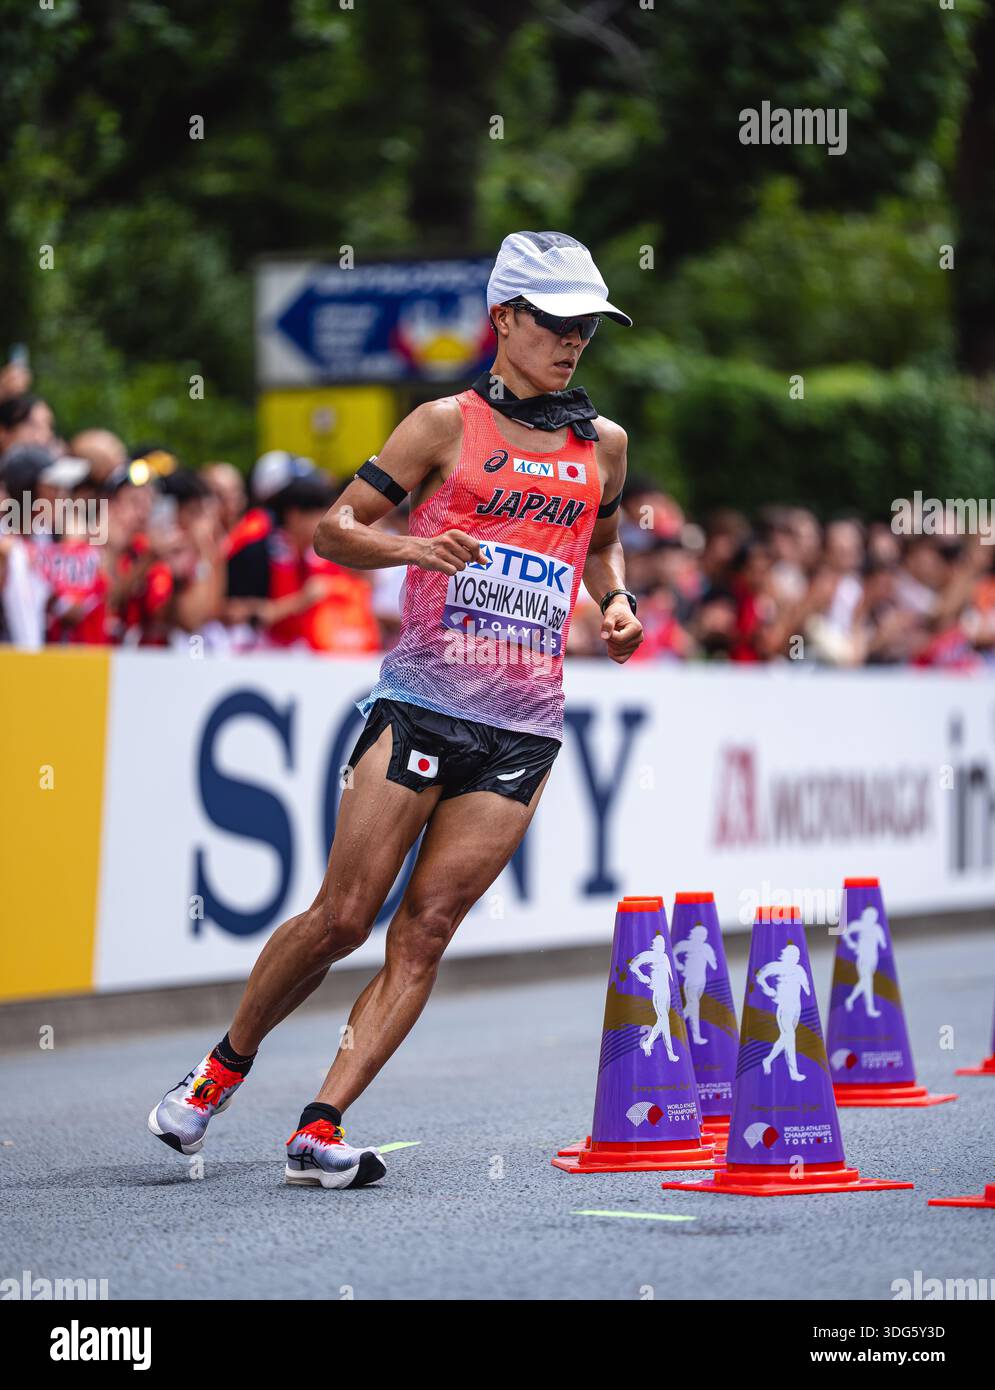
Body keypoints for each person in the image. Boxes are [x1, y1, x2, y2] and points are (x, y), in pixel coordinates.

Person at [148, 230, 643, 1188]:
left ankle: (319, 1126)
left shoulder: (604, 444)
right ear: (504, 318)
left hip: (524, 726)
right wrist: (415, 552)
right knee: (344, 915)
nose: (574, 342)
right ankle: (216, 1075)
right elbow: (337, 530)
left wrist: (613, 603)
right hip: (421, 702)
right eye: (556, 323)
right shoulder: (441, 425)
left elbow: (603, 543)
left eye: (588, 328)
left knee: (426, 932)